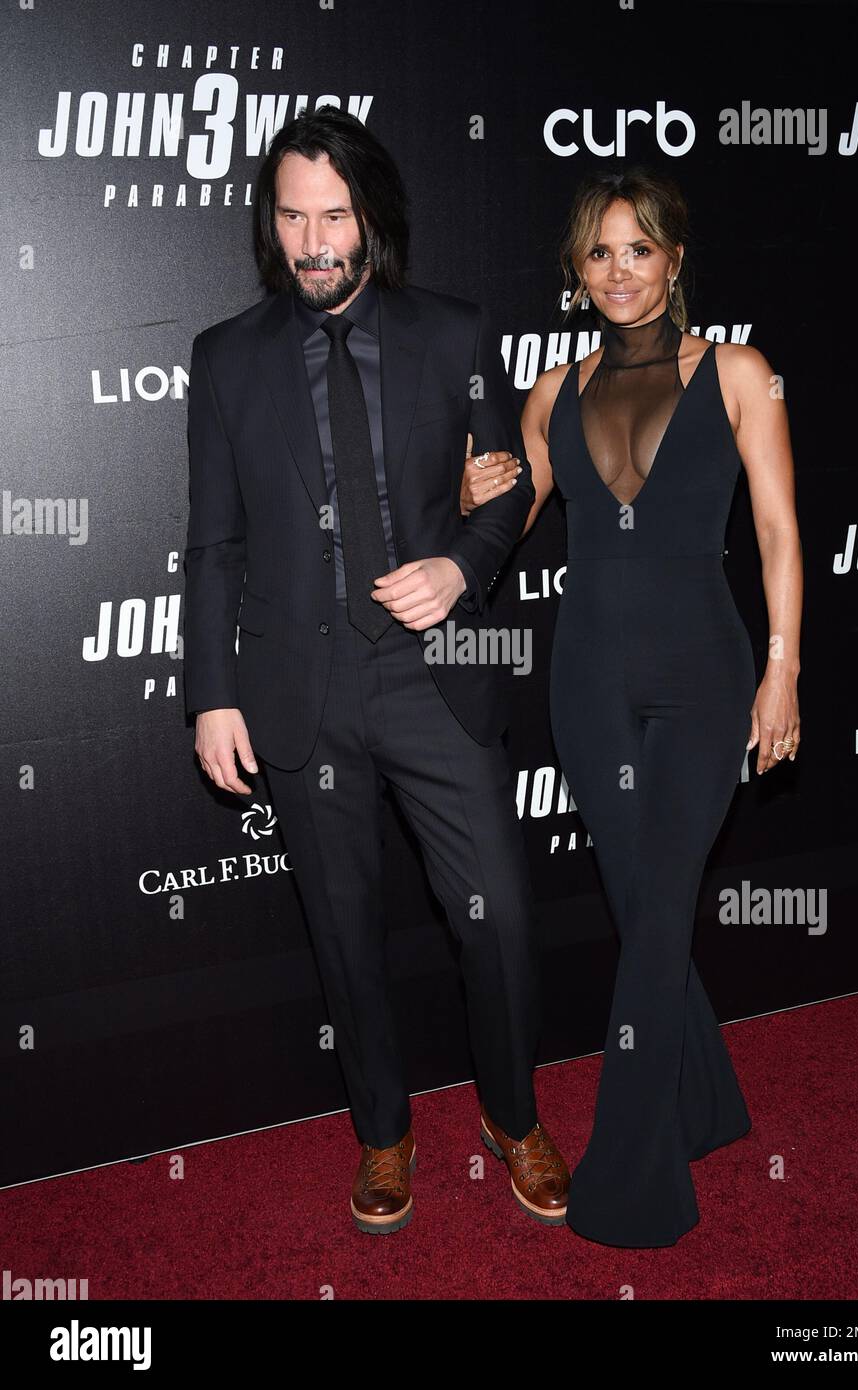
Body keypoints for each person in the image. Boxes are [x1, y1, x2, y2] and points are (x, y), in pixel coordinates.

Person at [183, 107, 570, 1235]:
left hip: (432, 674)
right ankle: (384, 1134)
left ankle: (511, 1114)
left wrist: (458, 567)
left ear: (372, 219)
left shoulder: (452, 333)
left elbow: (503, 489)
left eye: (334, 216)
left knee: (494, 922)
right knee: (343, 931)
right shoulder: (224, 358)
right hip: (299, 692)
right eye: (292, 217)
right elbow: (213, 540)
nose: (312, 241)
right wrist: (210, 689)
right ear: (271, 223)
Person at [461, 168, 802, 1247]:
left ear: (673, 261)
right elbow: (502, 540)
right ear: (576, 272)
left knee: (655, 922)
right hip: (588, 688)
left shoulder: (740, 373)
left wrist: (781, 669)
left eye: (638, 249)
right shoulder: (551, 396)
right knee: (643, 911)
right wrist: (475, 504)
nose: (618, 271)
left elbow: (780, 537)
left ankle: (630, 1172)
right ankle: (703, 1100)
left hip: (704, 679)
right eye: (599, 252)